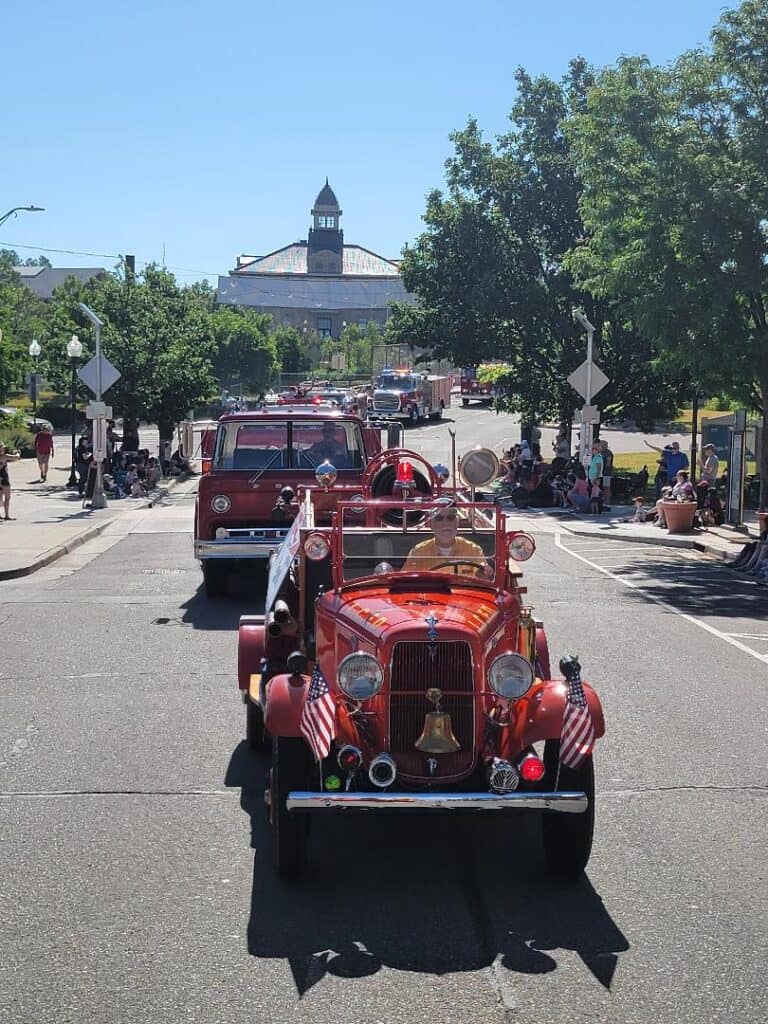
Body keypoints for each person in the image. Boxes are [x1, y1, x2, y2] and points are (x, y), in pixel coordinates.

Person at [402, 503, 488, 577]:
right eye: (439, 518)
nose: (446, 523)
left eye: (450, 518)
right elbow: (406, 581)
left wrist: (486, 571)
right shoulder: (418, 553)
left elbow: (484, 578)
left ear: (457, 522)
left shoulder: (473, 550)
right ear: (430, 524)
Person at [0, 442, 20, 520]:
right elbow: (16, 458)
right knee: (7, 497)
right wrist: (17, 453)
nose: (4, 449)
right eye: (2, 447)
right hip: (4, 479)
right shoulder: (4, 456)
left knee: (0, 497)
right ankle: (7, 515)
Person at [600, 439, 614, 511]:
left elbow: (608, 464)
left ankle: (607, 503)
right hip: (601, 473)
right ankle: (603, 502)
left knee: (606, 488)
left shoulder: (608, 454)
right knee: (602, 488)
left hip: (606, 473)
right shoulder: (600, 453)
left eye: (603, 445)